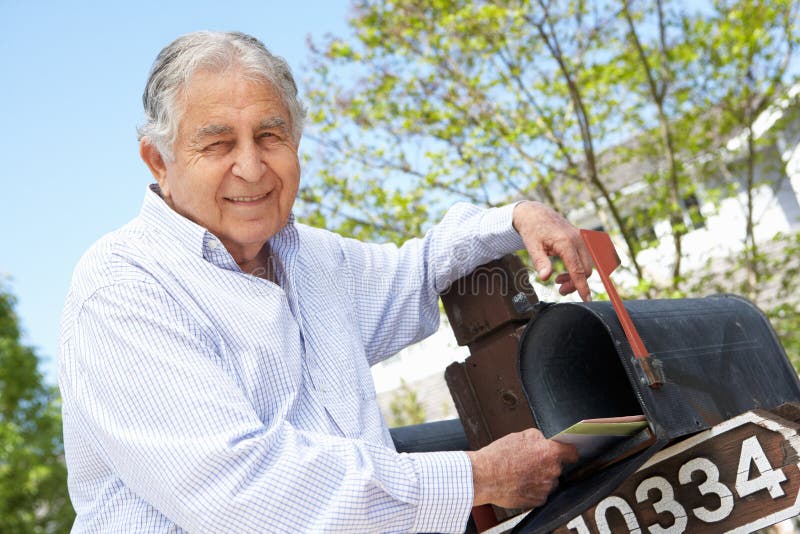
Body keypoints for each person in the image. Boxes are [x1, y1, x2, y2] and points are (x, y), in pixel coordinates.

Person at [58, 31, 592, 533]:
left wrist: (517, 218)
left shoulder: (311, 256)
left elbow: (420, 267)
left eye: (270, 136)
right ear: (159, 161)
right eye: (218, 144)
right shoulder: (122, 290)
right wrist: (478, 477)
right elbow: (243, 495)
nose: (251, 166)